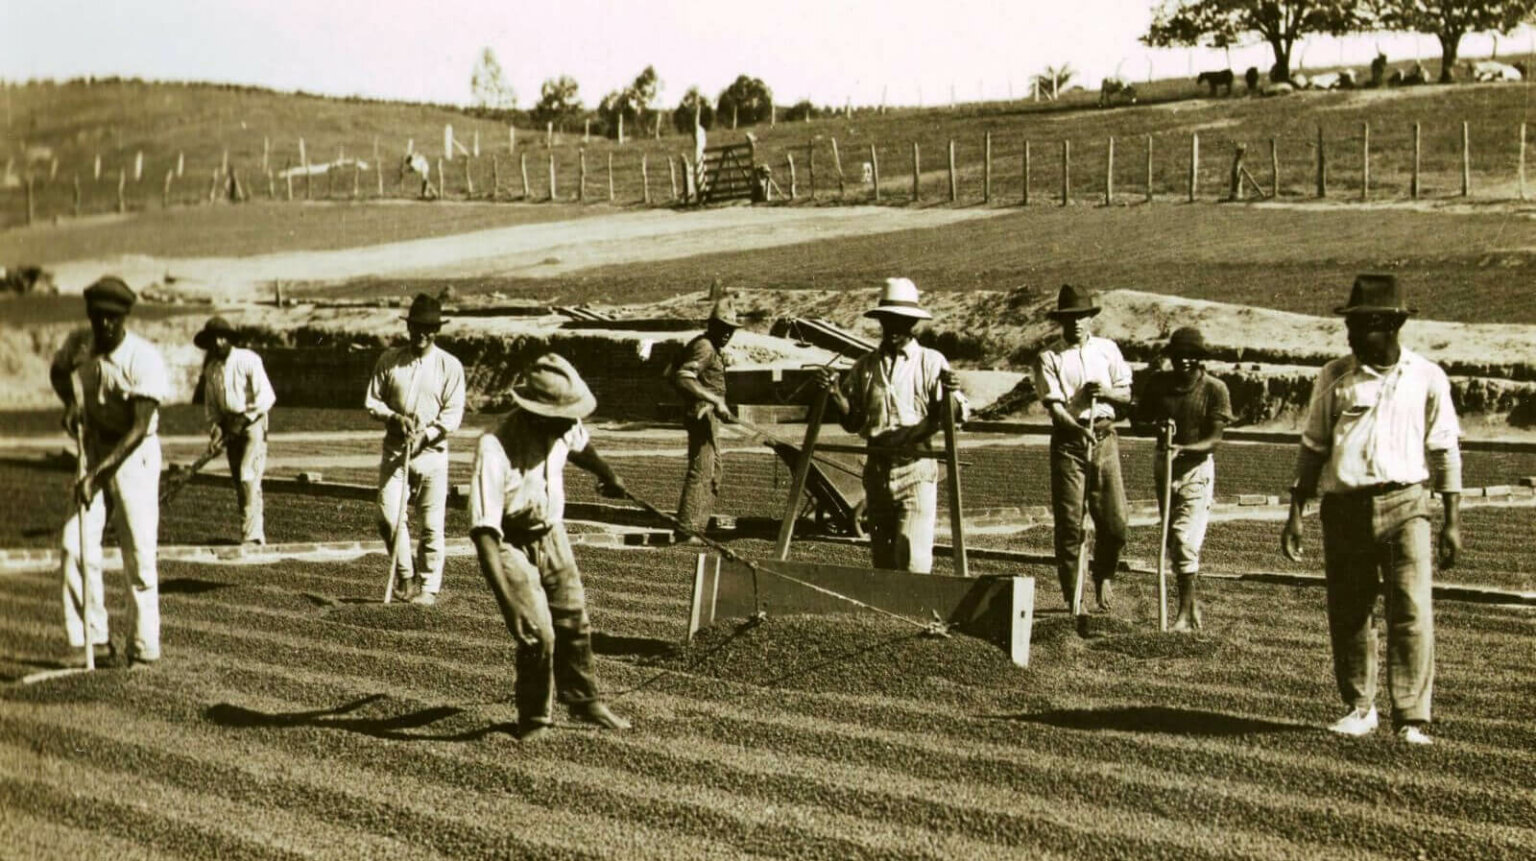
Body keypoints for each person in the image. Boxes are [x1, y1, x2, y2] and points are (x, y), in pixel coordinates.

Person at [1282, 274, 1462, 746]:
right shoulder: (1333, 376)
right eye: (1350, 325)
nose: (1350, 335)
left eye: (1360, 325)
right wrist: (1296, 512)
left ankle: (1412, 718)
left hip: (1408, 506)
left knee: (1412, 611)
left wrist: (1452, 520)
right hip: (1344, 508)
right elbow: (1313, 445)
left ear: (1390, 324)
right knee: (1350, 612)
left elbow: (1444, 450)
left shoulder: (1427, 377)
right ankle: (1359, 708)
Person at [468, 353, 632, 740]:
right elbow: (485, 533)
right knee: (537, 632)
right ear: (536, 412)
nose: (569, 424)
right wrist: (509, 603)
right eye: (562, 418)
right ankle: (534, 719)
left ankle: (583, 701)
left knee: (574, 616)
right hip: (508, 539)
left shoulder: (563, 424)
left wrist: (609, 474)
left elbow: (581, 445)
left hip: (550, 531)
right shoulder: (494, 447)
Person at [49, 276, 170, 667]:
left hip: (135, 453)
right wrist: (70, 404)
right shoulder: (80, 343)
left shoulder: (143, 358)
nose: (104, 326)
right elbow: (58, 371)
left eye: (113, 319)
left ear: (125, 319)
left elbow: (139, 426)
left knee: (138, 552)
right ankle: (94, 639)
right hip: (96, 444)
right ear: (90, 315)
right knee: (73, 544)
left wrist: (96, 475)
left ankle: (143, 644)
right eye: (98, 317)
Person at [816, 278, 965, 573]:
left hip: (916, 468)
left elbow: (952, 413)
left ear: (914, 324)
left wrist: (951, 392)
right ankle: (892, 620)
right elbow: (853, 421)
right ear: (880, 321)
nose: (895, 327)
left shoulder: (932, 362)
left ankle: (914, 616)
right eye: (889, 320)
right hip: (877, 470)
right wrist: (835, 393)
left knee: (913, 558)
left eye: (903, 321)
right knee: (882, 561)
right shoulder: (865, 367)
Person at [1034, 284, 1132, 611]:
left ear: (1090, 318)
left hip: (1104, 437)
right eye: (1070, 318)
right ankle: (1074, 598)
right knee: (1071, 524)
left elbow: (1126, 394)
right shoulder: (1049, 357)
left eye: (1082, 317)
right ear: (1062, 320)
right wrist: (1076, 428)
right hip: (1069, 442)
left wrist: (1103, 392)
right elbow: (1055, 408)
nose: (1076, 323)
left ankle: (1104, 575)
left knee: (1115, 522)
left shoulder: (1107, 350)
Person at [365, 293, 466, 606]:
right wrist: (393, 417)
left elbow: (452, 415)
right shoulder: (389, 361)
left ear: (436, 330)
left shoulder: (450, 366)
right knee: (387, 516)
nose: (421, 334)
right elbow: (372, 401)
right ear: (408, 328)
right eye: (416, 327)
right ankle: (405, 574)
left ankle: (428, 587)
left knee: (432, 525)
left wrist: (426, 435)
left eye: (428, 328)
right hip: (395, 450)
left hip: (432, 455)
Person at [1132, 327, 1233, 631]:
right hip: (1164, 466)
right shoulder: (1159, 384)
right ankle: (1190, 606)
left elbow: (1214, 439)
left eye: (1191, 356)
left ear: (1201, 359)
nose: (1184, 362)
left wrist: (1184, 449)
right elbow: (1138, 422)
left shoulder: (1215, 389)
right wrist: (1156, 426)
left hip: (1195, 469)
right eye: (1179, 356)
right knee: (1173, 543)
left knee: (1183, 539)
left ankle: (1184, 616)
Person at [196, 315, 276, 546]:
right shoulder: (211, 370)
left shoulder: (249, 360)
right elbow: (212, 407)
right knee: (239, 481)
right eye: (213, 339)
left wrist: (243, 420)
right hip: (230, 427)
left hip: (253, 424)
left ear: (229, 339)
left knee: (247, 474)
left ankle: (253, 535)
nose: (218, 343)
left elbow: (266, 397)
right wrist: (217, 431)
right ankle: (249, 531)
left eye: (222, 337)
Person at [671, 297, 740, 541]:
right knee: (703, 470)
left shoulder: (712, 348)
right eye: (723, 327)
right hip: (702, 415)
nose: (726, 334)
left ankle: (696, 527)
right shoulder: (705, 347)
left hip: (709, 415)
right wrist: (714, 400)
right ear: (712, 325)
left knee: (713, 471)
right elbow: (683, 377)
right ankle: (687, 529)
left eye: (730, 330)